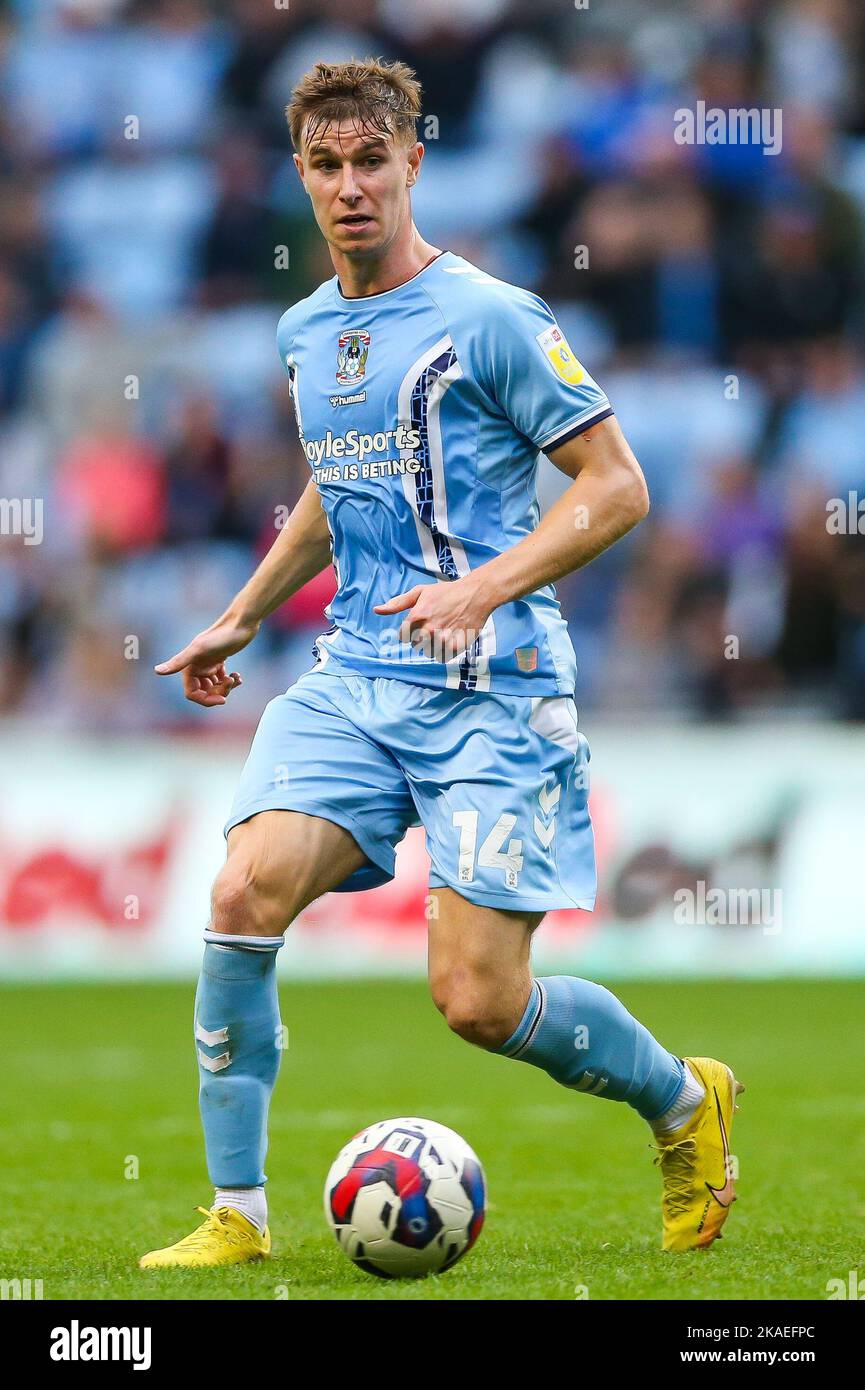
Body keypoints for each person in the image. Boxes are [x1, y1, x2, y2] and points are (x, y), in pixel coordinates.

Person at [140, 59, 742, 1269]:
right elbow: (336, 481)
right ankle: (237, 1215)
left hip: (494, 689)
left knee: (476, 1002)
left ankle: (683, 1097)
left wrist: (482, 583)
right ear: (300, 176)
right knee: (238, 893)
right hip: (354, 675)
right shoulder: (306, 326)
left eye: (373, 161)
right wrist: (245, 610)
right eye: (325, 165)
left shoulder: (494, 318)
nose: (351, 187)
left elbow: (617, 488)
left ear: (416, 160)